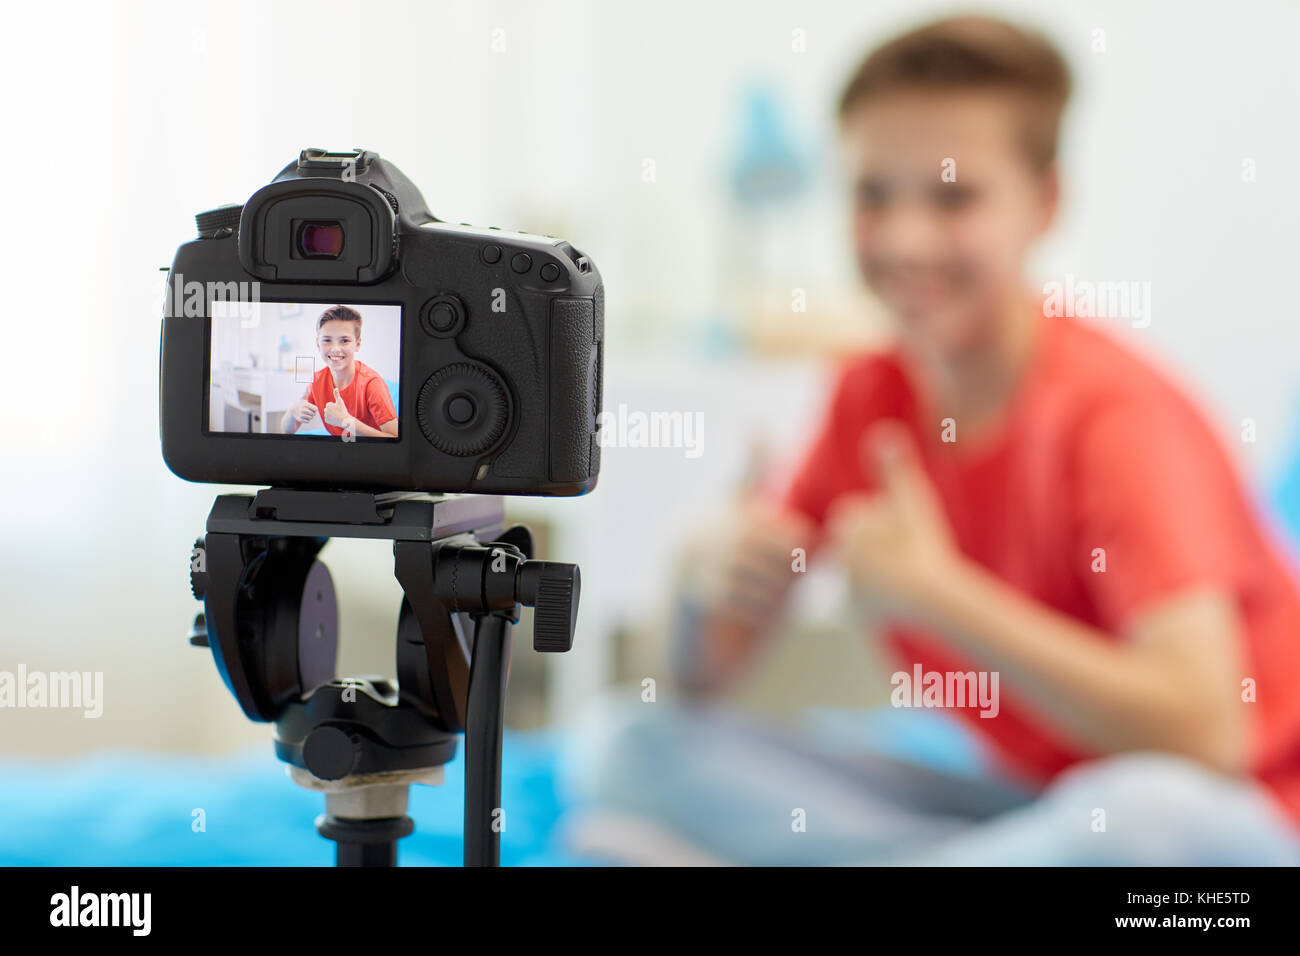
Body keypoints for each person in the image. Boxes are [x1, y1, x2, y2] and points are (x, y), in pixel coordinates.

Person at [564, 15, 1300, 866]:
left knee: (1150, 819)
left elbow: (1209, 738)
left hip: (1229, 825)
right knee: (625, 745)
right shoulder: (868, 397)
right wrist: (697, 585)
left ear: (1046, 204)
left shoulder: (1115, 418)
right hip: (1029, 817)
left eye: (953, 197)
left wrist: (940, 595)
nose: (905, 240)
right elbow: (702, 684)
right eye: (873, 195)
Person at [282, 305, 398, 439]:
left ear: (357, 344)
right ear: (318, 345)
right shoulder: (317, 379)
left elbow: (395, 438)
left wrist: (345, 421)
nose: (335, 349)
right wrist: (292, 411)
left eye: (344, 341)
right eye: (327, 340)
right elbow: (287, 432)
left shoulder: (372, 383)